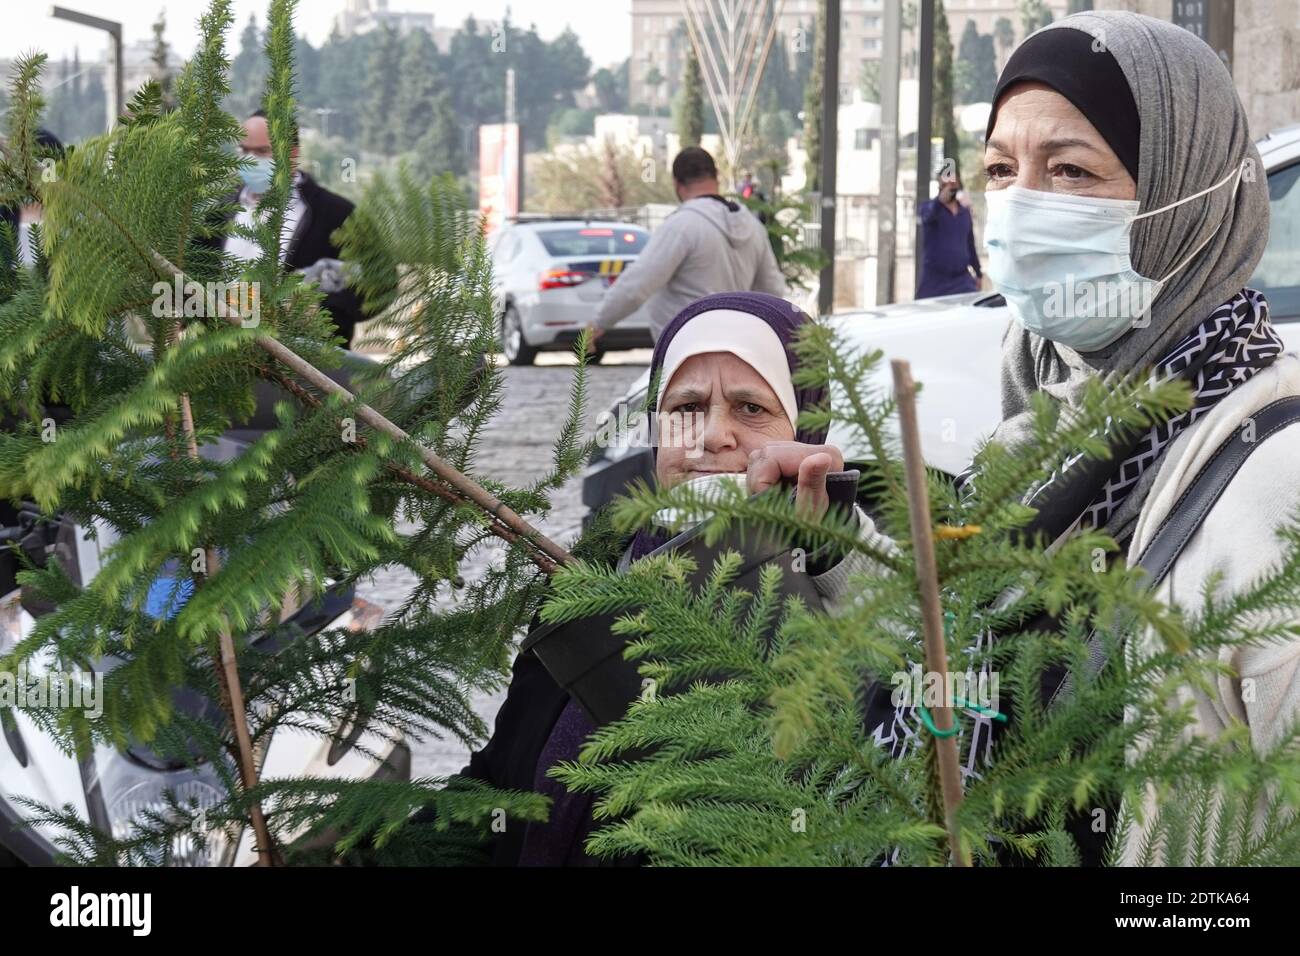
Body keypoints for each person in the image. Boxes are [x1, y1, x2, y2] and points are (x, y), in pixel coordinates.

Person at [770, 11, 1300, 863]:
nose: (1022, 208)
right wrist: (839, 554)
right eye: (1002, 171)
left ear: (1187, 190)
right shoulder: (1042, 431)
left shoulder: (1276, 482)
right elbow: (993, 669)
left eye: (1072, 170)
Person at [445, 291, 881, 865]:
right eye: (686, 408)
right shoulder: (596, 574)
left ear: (804, 432)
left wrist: (835, 540)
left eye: (751, 409)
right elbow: (501, 774)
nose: (712, 436)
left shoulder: (829, 576)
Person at [587, 147, 787, 346]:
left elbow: (638, 283)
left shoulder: (681, 226)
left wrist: (597, 324)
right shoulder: (753, 227)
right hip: (735, 350)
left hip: (686, 352)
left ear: (676, 183)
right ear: (716, 177)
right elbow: (772, 290)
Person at [215, 111, 365, 345]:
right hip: (222, 356)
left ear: (292, 154)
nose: (250, 160)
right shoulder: (218, 211)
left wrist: (321, 309)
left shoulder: (336, 214)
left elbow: (379, 281)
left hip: (307, 362)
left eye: (262, 152)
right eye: (244, 151)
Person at [915, 168, 984, 298]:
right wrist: (939, 202)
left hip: (961, 280)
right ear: (939, 186)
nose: (949, 189)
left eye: (952, 184)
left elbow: (970, 244)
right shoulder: (929, 207)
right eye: (945, 185)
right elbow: (926, 217)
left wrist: (978, 273)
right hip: (934, 281)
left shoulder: (964, 213)